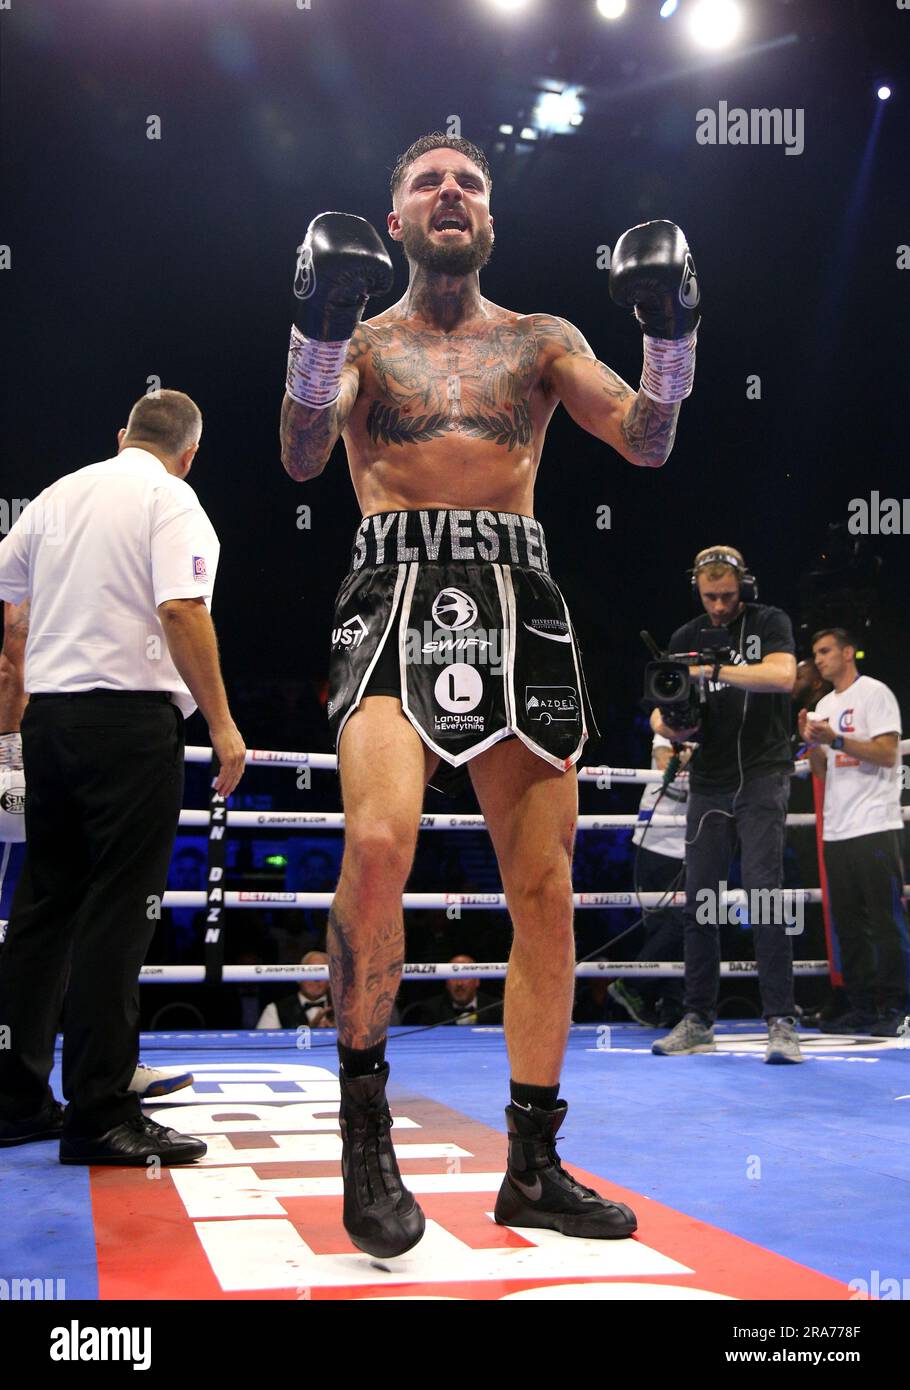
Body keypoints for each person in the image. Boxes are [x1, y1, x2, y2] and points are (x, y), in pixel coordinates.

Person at [279, 131, 699, 1255]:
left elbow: (647, 442)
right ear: (398, 215)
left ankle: (532, 1163)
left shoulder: (542, 339)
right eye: (427, 181)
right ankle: (364, 1137)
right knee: (377, 845)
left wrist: (673, 332)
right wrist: (314, 330)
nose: (450, 194)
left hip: (519, 595)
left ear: (491, 221)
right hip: (392, 586)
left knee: (547, 890)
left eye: (468, 182)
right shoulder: (365, 341)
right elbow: (302, 455)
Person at [0, 390, 246, 1163]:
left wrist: (11, 725)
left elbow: (11, 620)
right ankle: (100, 1110)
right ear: (190, 452)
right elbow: (181, 610)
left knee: (44, 908)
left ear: (122, 435)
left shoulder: (54, 497)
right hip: (129, 725)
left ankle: (15, 1100)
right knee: (119, 912)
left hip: (51, 724)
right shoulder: (173, 499)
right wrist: (222, 723)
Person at [649, 545, 802, 1063]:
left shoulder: (770, 621)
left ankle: (781, 1020)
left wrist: (711, 671)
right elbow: (665, 713)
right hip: (710, 778)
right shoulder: (684, 638)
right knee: (700, 902)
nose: (718, 606)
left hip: (763, 774)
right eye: (710, 596)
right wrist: (673, 724)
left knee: (764, 894)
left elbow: (782, 676)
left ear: (745, 588)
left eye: (727, 596)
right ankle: (697, 1019)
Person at [800, 628, 910, 1036]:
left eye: (826, 651)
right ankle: (863, 1007)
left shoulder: (875, 693)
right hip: (838, 829)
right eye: (815, 653)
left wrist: (837, 737)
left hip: (875, 825)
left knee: (885, 921)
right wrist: (812, 742)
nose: (820, 659)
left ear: (848, 653)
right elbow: (820, 772)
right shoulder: (823, 704)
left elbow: (885, 754)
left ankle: (898, 1008)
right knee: (847, 924)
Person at [611, 735, 690, 1028]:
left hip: (694, 839)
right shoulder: (668, 723)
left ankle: (672, 1008)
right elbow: (665, 762)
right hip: (655, 840)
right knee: (668, 924)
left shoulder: (714, 723)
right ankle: (634, 985)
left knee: (688, 923)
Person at [256, 950, 335, 1029]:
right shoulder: (275, 1009)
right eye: (310, 972)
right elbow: (262, 1040)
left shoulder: (342, 1009)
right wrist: (310, 1032)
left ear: (331, 981)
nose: (315, 979)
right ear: (298, 977)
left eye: (321, 973)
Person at [420, 955, 503, 1025]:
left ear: (477, 981)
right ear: (446, 983)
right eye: (454, 977)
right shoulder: (431, 1009)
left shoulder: (497, 1008)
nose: (459, 983)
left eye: (465, 976)